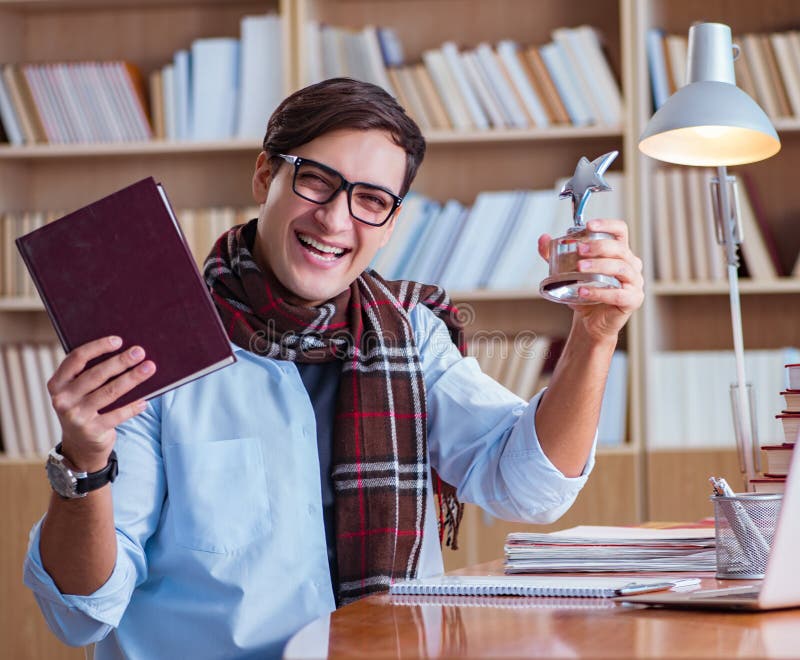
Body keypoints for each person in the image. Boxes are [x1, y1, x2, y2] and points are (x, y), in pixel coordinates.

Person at [24, 78, 644, 659]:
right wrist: (83, 461)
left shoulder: (412, 333)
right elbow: (82, 612)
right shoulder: (152, 344)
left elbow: (529, 487)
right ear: (265, 173)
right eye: (316, 181)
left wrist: (594, 337)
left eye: (370, 200)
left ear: (392, 222)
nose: (335, 219)